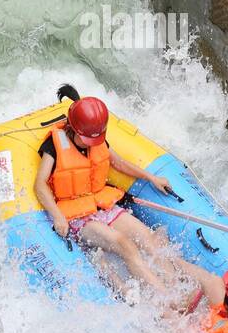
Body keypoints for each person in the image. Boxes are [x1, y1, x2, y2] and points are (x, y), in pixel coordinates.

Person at [35, 95, 179, 297]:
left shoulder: (97, 138)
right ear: (74, 129)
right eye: (86, 140)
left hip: (103, 206)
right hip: (77, 218)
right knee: (125, 245)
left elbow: (118, 163)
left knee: (150, 238)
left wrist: (151, 177)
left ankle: (177, 288)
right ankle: (168, 299)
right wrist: (57, 216)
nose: (89, 144)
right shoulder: (54, 146)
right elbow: (40, 184)